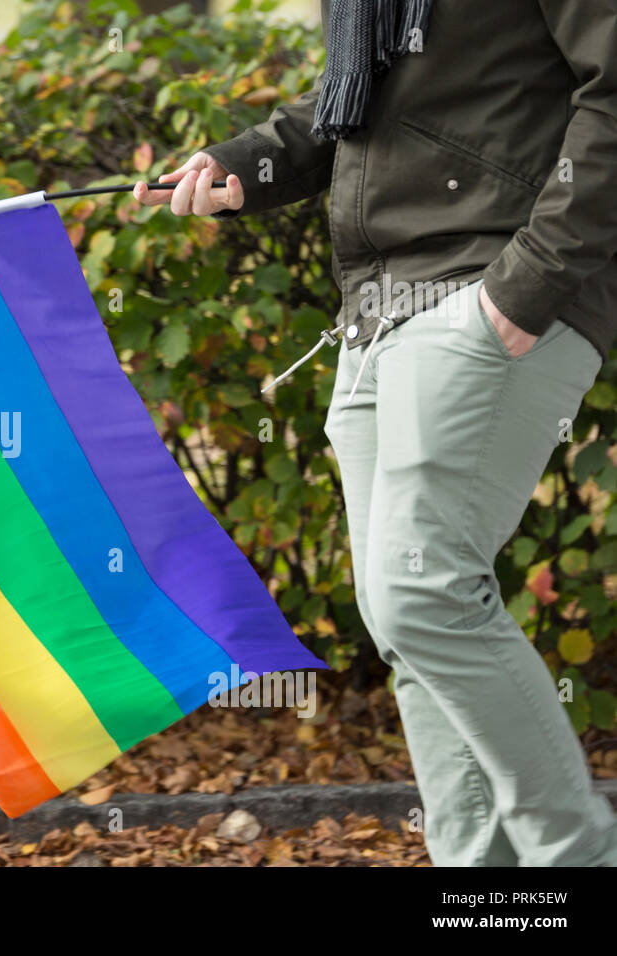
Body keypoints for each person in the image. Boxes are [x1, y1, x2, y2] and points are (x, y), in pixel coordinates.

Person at [136, 0, 617, 866]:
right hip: (378, 308)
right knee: (413, 627)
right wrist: (248, 163)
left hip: (490, 284)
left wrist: (526, 287)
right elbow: (360, 109)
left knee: (421, 593)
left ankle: (574, 861)